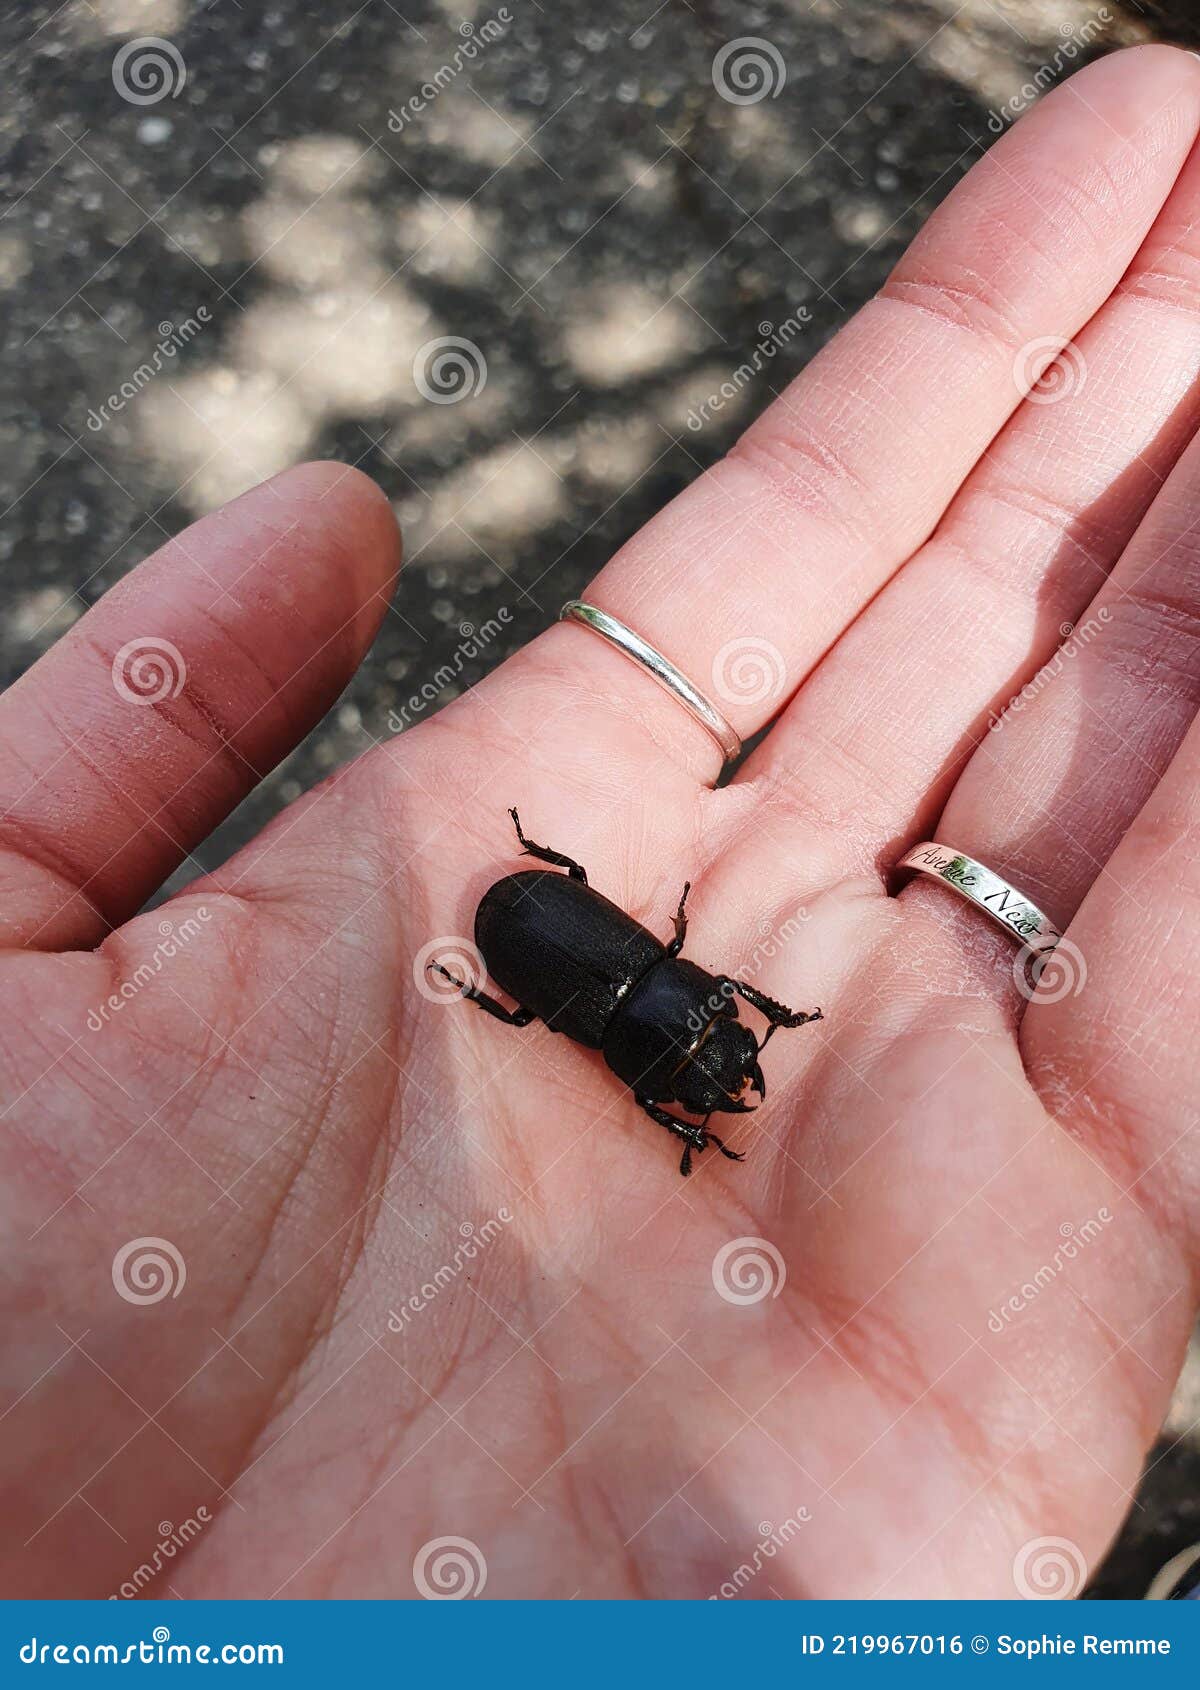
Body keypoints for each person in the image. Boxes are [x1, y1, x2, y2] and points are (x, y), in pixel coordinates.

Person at [3, 43, 1200, 1600]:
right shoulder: (647, 1020)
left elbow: (673, 1022)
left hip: (555, 938)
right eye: (720, 1051)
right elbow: (664, 1026)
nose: (722, 1053)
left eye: (711, 1057)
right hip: (554, 940)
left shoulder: (657, 1016)